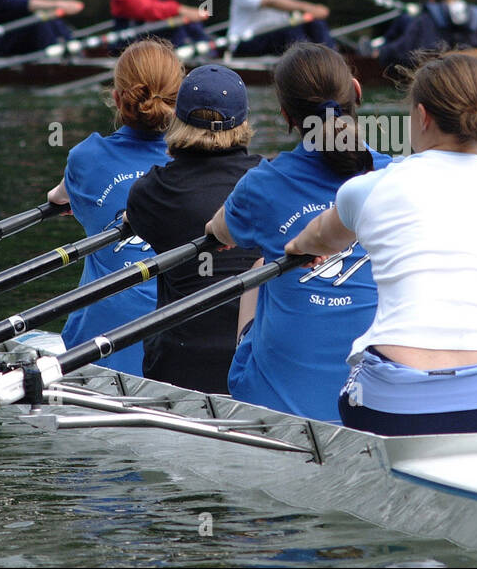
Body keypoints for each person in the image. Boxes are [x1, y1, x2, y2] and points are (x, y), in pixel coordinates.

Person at [284, 51, 477, 436]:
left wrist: (296, 249)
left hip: (391, 408)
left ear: (422, 116)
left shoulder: (367, 190)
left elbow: (322, 236)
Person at [205, 43, 391, 420]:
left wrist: (220, 230)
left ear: (286, 115)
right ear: (356, 91)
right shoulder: (398, 175)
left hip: (276, 406)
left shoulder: (261, 184)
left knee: (257, 269)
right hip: (382, 400)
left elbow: (217, 231)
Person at [46, 39, 183, 375]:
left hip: (95, 343)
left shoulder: (86, 158)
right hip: (178, 339)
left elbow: (57, 198)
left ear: (118, 98)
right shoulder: (195, 165)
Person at [125, 64, 260, 392]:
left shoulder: (150, 191)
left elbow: (136, 217)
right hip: (252, 366)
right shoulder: (268, 182)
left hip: (177, 371)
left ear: (177, 121)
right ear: (242, 124)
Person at [377, 0, 477, 72]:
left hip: (433, 73)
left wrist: (379, 52)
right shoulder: (476, 15)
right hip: (470, 70)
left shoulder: (423, 18)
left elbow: (402, 50)